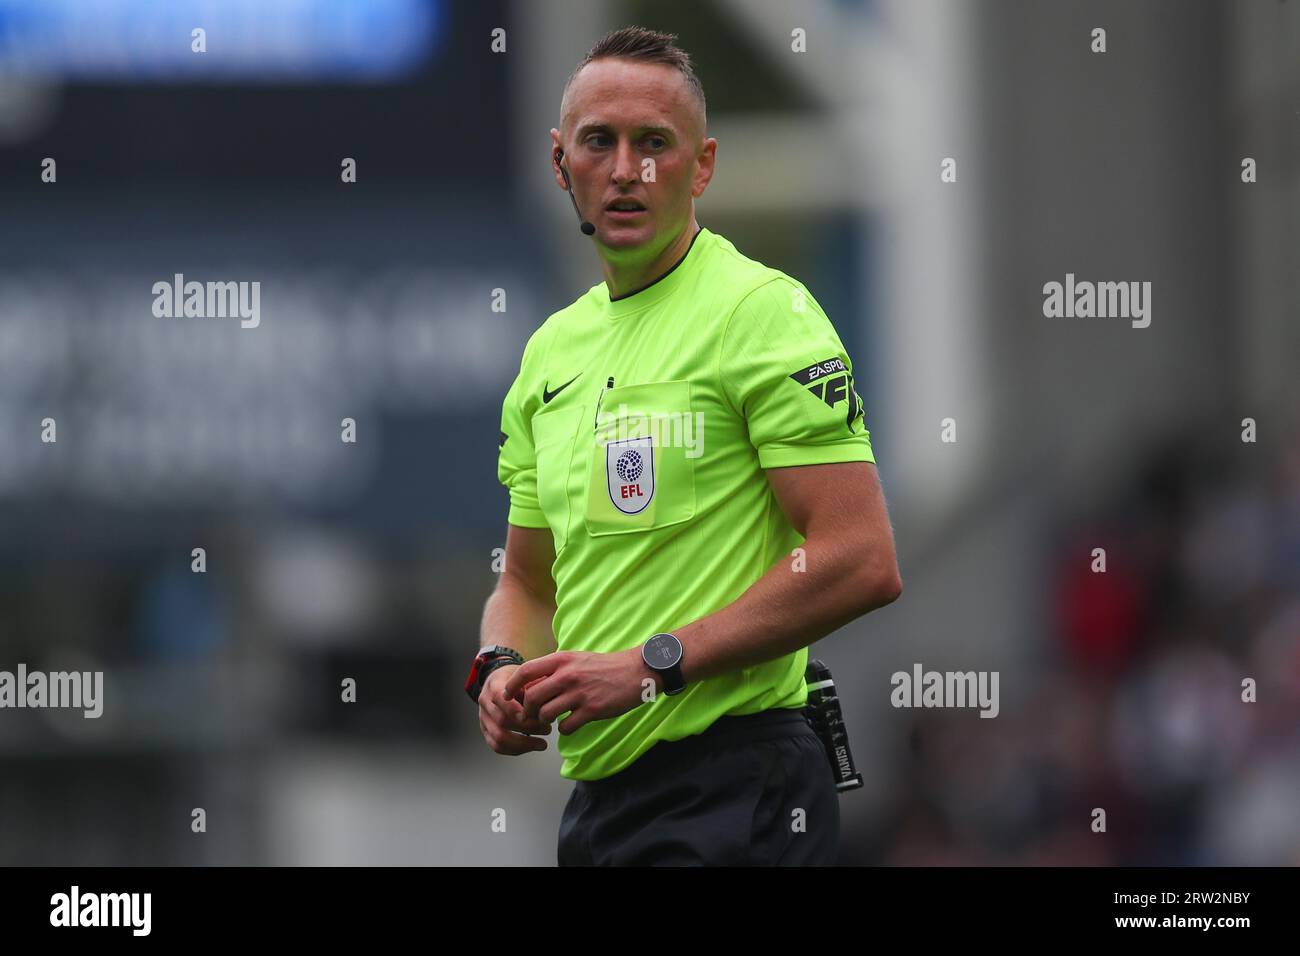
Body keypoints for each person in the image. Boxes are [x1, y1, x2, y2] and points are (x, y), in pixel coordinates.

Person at [466, 26, 901, 866]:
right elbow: (525, 579)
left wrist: (652, 665)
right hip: (600, 801)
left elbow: (861, 557)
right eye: (600, 141)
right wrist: (500, 667)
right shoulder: (550, 354)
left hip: (737, 783)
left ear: (701, 166)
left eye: (654, 144)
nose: (626, 169)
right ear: (560, 163)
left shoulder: (760, 313)